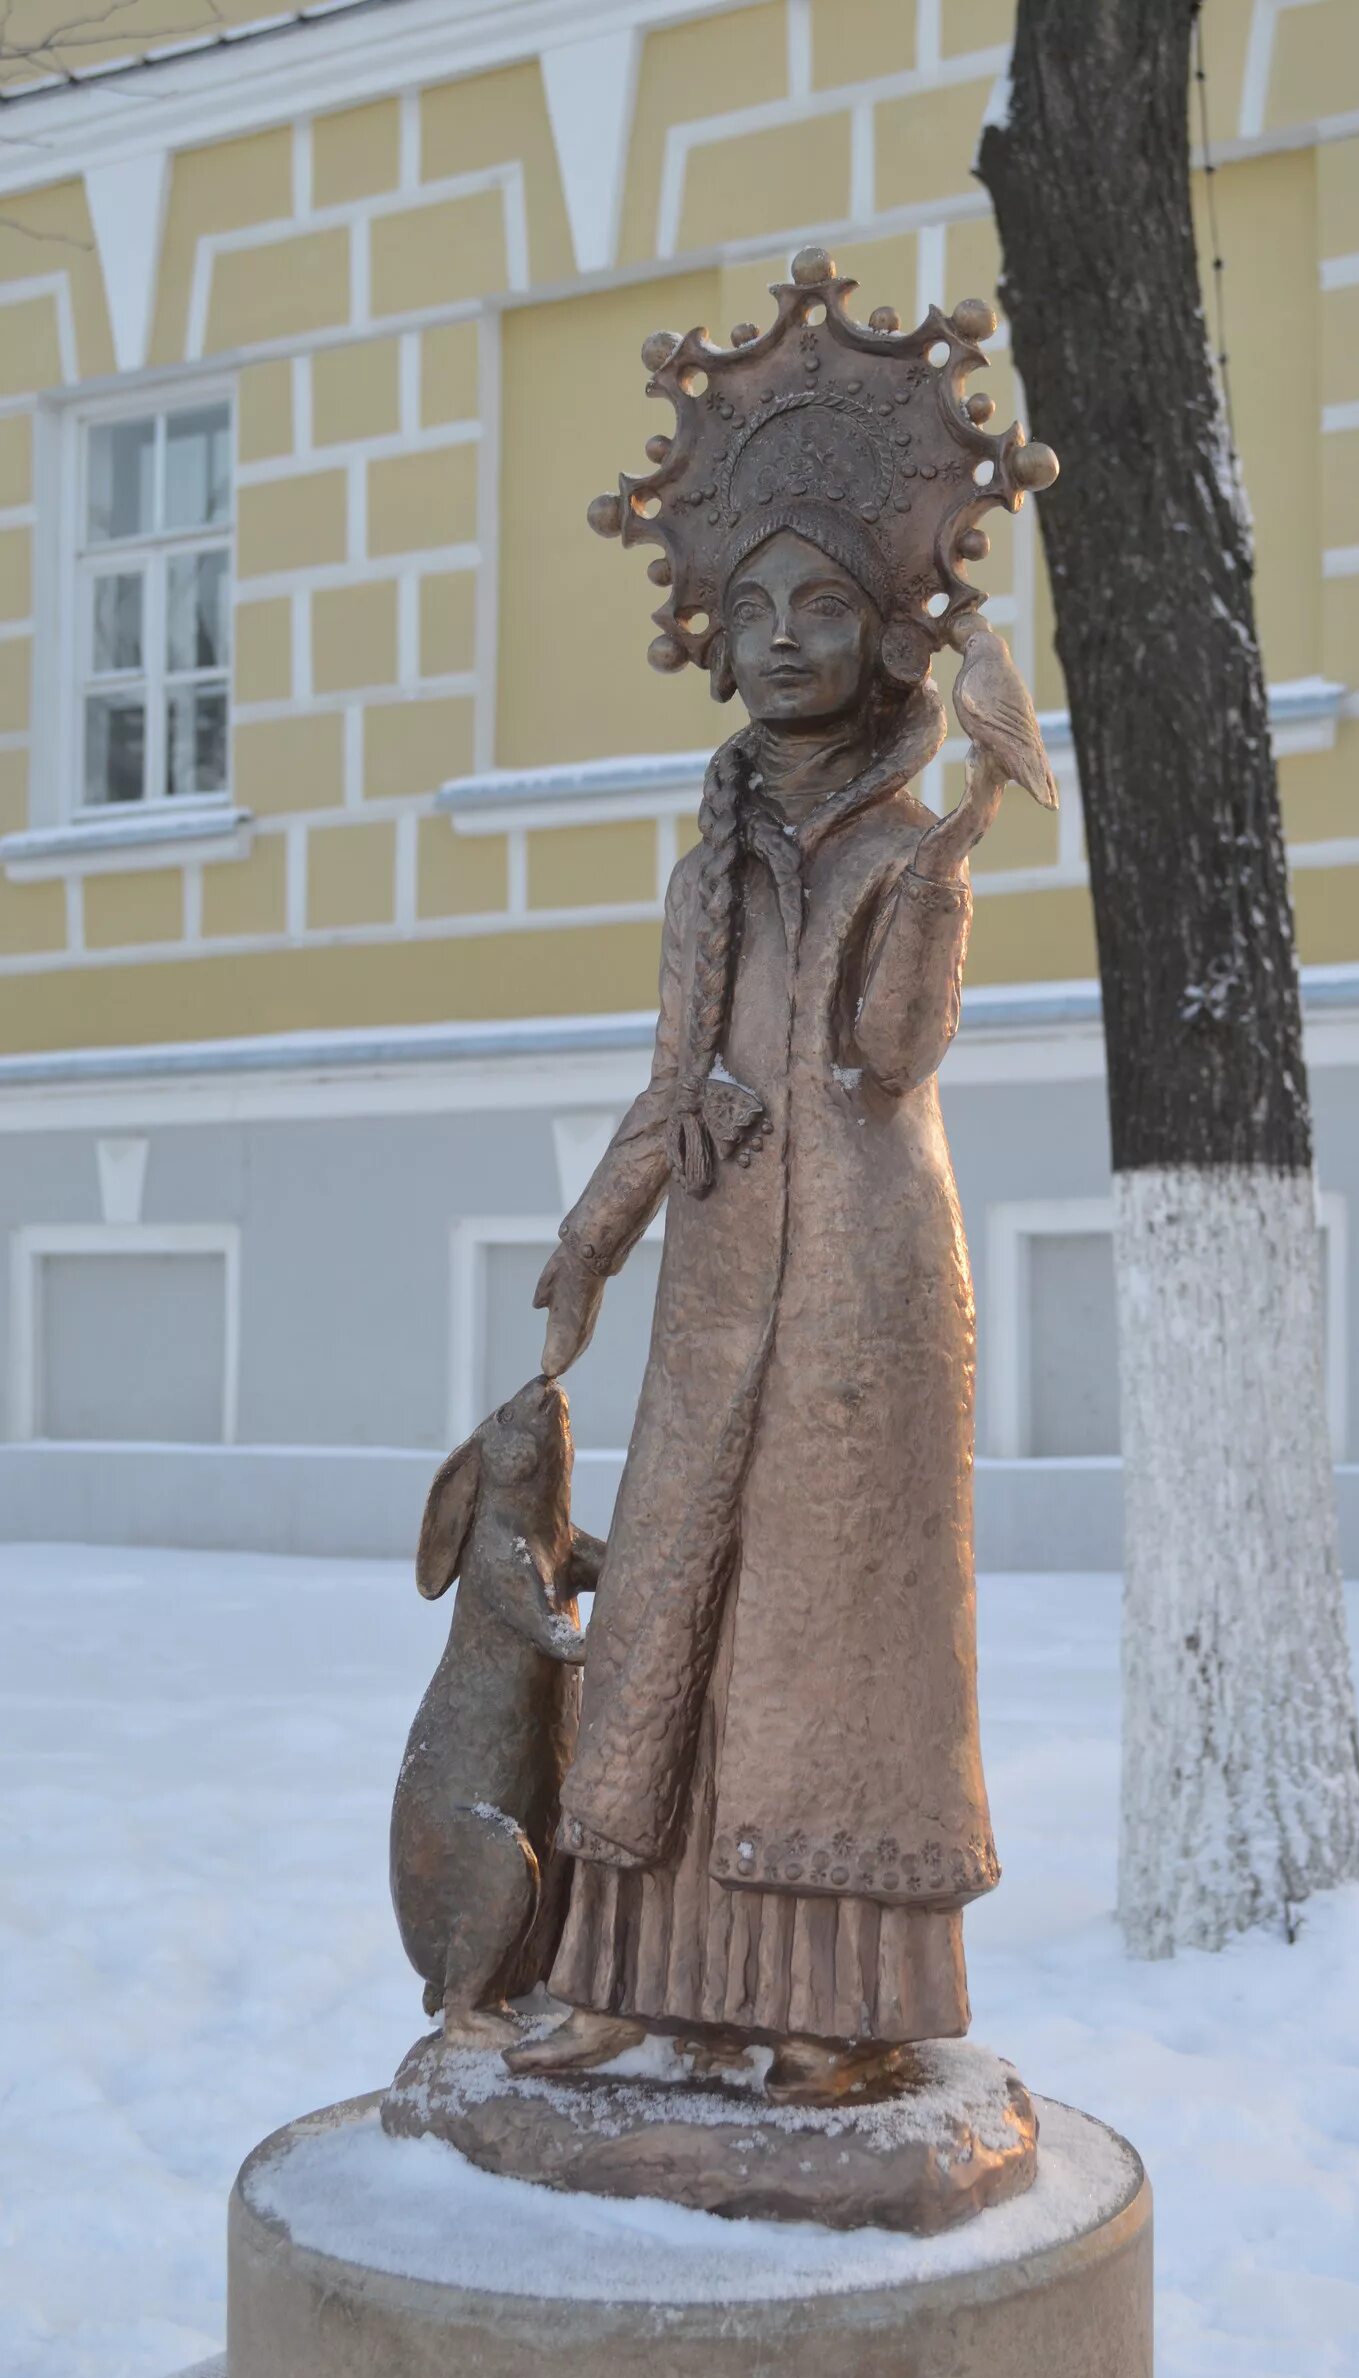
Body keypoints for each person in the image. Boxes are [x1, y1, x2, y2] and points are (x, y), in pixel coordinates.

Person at [510, 252, 1055, 2104]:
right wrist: (594, 1239)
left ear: (897, 630)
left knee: (836, 1623)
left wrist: (952, 846)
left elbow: (879, 1057)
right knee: (666, 1595)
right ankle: (627, 1973)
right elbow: (676, 1085)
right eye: (752, 611)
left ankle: (835, 2006)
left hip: (868, 1284)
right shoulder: (704, 869)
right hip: (721, 1282)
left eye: (824, 604)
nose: (783, 640)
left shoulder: (907, 844)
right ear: (713, 638)